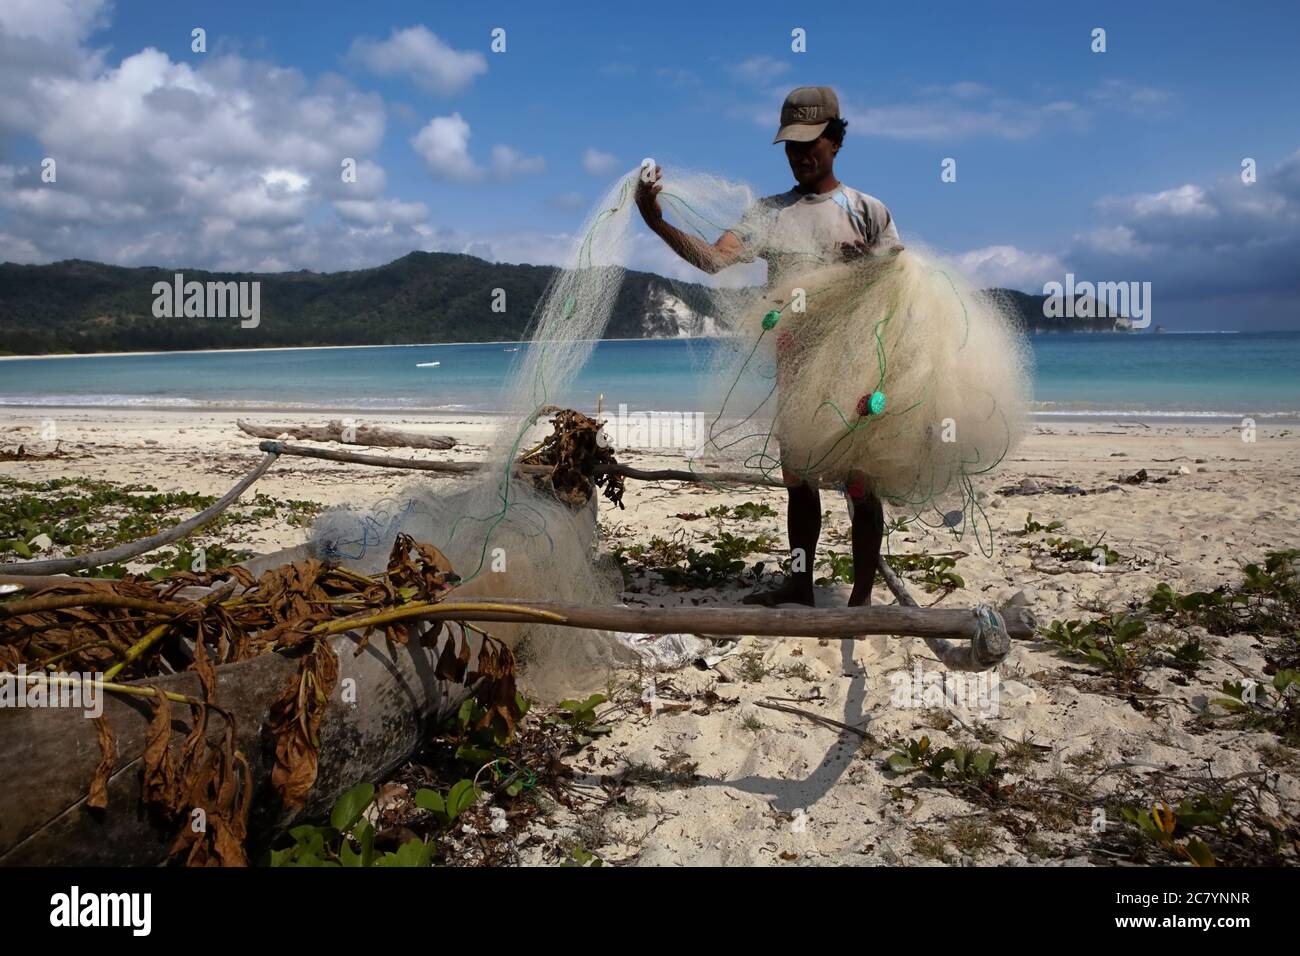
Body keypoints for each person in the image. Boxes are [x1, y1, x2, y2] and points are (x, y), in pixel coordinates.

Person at [635, 86, 903, 607]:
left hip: (857, 364)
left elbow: (898, 284)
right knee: (798, 480)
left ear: (835, 140)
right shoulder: (769, 213)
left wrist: (867, 266)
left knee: (861, 480)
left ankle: (861, 600)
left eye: (812, 144)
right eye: (791, 146)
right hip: (797, 365)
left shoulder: (867, 210)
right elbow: (714, 259)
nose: (802, 155)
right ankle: (800, 585)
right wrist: (656, 221)